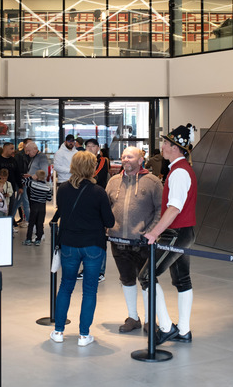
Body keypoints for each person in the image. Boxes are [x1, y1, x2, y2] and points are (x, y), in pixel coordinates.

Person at [50, 151, 115, 347]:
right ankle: (84, 335)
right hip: (93, 245)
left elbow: (62, 212)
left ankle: (59, 331)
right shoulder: (99, 192)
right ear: (92, 168)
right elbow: (109, 221)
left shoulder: (62, 189)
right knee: (89, 290)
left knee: (65, 286)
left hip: (69, 243)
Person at [141, 124, 198, 345]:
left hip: (176, 233)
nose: (162, 146)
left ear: (176, 148)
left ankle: (166, 327)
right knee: (182, 279)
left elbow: (174, 208)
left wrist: (154, 233)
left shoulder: (180, 172)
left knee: (146, 276)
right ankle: (183, 330)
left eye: (166, 143)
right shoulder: (180, 169)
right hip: (185, 232)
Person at [106, 147, 162, 333]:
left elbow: (161, 210)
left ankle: (149, 320)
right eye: (123, 156)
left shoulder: (153, 182)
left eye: (130, 156)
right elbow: (106, 208)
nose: (125, 159)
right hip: (118, 241)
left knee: (146, 281)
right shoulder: (113, 181)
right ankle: (133, 317)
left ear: (140, 159)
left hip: (143, 243)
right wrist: (107, 228)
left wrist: (151, 232)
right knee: (127, 279)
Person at [76, 138, 111, 282]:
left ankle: (99, 271)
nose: (90, 148)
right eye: (88, 146)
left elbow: (98, 177)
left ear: (98, 148)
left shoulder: (103, 161)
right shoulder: (81, 161)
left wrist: (84, 178)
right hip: (83, 200)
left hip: (98, 199)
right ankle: (86, 268)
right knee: (84, 236)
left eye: (93, 146)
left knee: (100, 236)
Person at [0, 142, 22, 228]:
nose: (13, 151)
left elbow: (17, 174)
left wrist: (20, 186)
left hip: (10, 189)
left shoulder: (13, 160)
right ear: (5, 148)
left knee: (10, 209)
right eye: (11, 148)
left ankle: (8, 227)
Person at [23, 169, 52, 246]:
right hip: (42, 207)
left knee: (31, 223)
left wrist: (31, 177)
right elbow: (49, 198)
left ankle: (28, 239)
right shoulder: (47, 187)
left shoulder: (32, 184)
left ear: (37, 177)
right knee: (40, 223)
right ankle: (38, 240)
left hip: (34, 206)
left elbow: (23, 182)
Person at [14, 138, 33, 226]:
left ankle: (10, 220)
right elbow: (17, 169)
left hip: (26, 181)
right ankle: (30, 221)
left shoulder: (29, 155)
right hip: (21, 181)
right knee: (24, 201)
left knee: (18, 202)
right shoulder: (19, 155)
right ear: (24, 144)